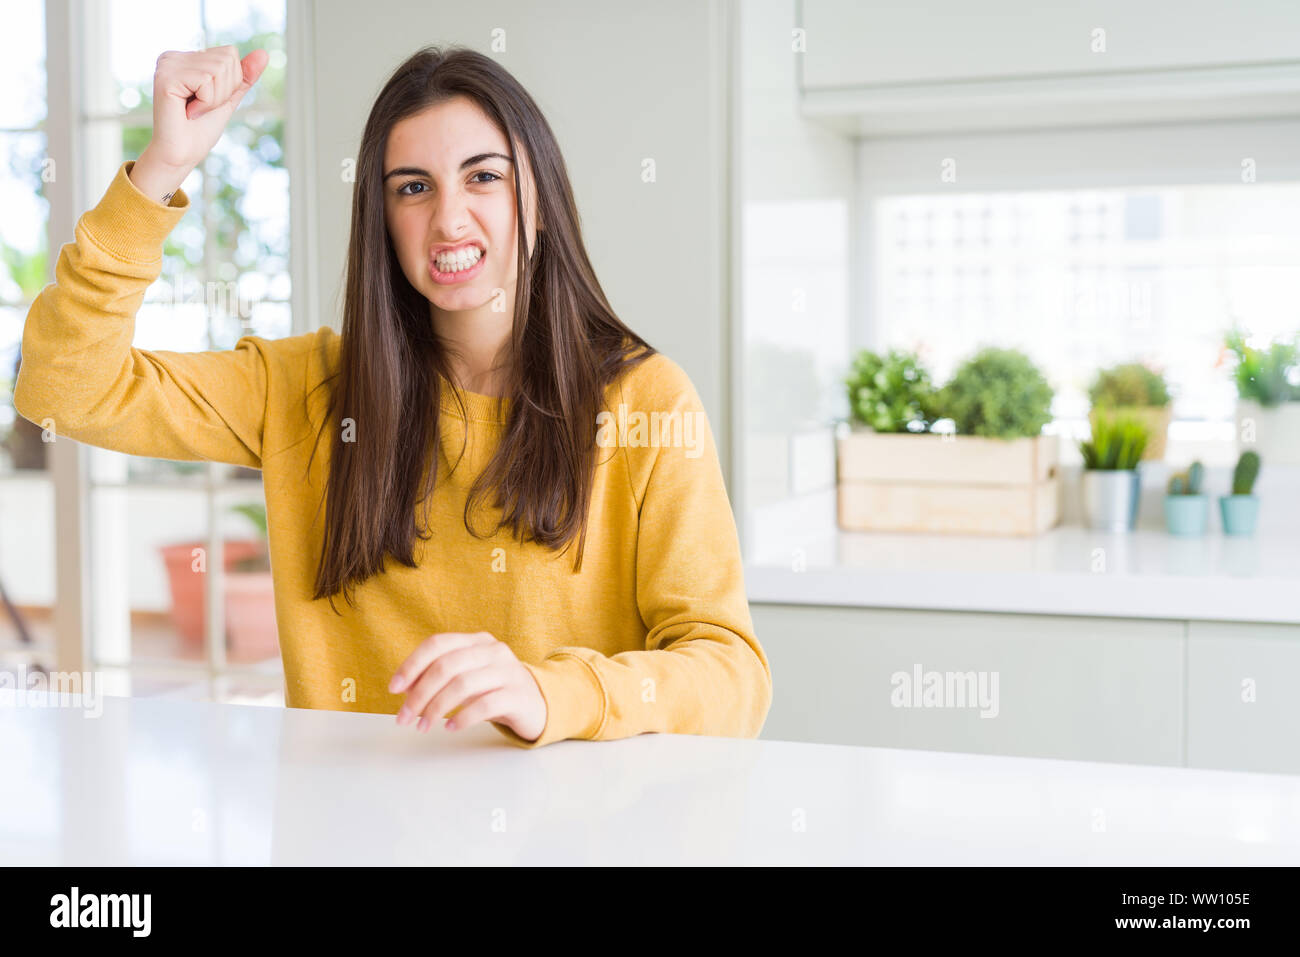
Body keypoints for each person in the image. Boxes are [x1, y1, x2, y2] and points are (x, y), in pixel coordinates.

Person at [14, 43, 771, 748]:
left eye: (484, 176)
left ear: (538, 197)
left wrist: (550, 692)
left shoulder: (646, 402)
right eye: (414, 188)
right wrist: (160, 170)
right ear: (382, 219)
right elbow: (63, 387)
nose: (448, 218)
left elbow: (734, 677)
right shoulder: (302, 392)